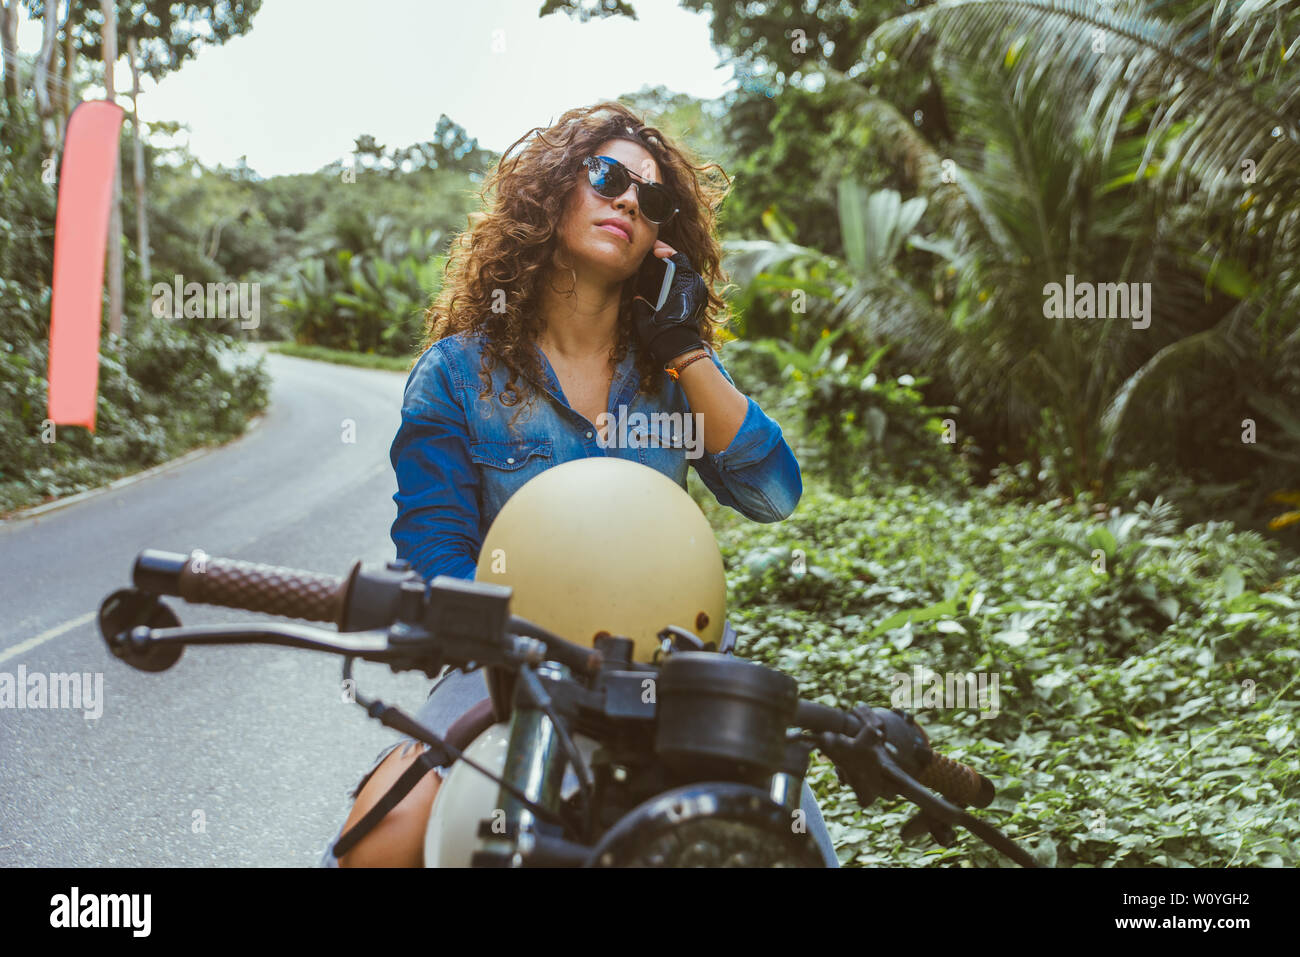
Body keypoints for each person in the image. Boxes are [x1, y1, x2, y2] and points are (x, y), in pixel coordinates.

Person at [322, 101, 836, 867]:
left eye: (652, 198)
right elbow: (435, 549)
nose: (629, 200)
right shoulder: (456, 374)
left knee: (796, 848)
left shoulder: (673, 374)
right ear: (554, 192)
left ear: (662, 239)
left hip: (673, 676)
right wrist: (510, 643)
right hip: (507, 669)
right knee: (375, 843)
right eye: (608, 178)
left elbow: (772, 492)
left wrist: (686, 349)